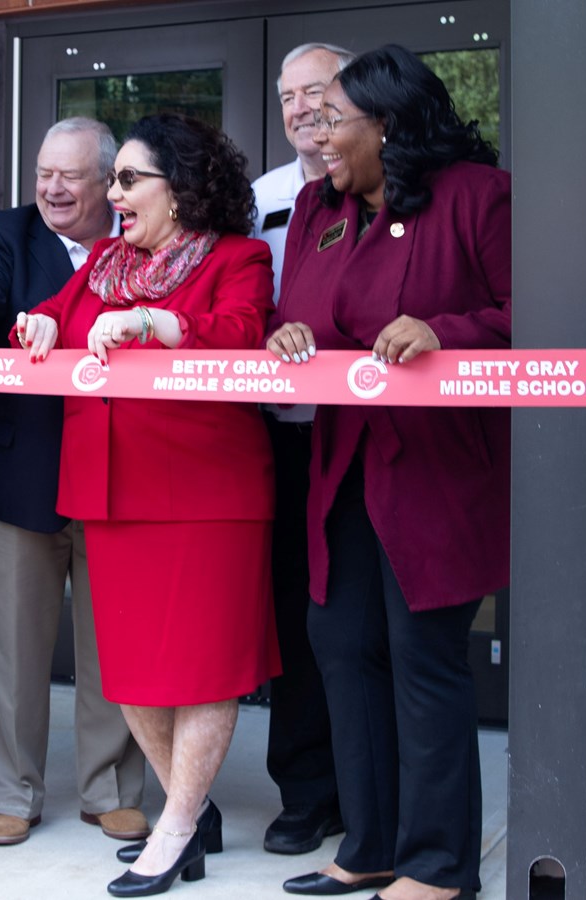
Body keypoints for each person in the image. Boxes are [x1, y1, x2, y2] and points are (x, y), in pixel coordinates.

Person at [266, 45, 510, 900]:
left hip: (438, 470)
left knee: (422, 655)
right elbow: (301, 311)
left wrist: (448, 333)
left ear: (389, 124)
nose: (317, 135)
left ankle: (438, 867)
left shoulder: (477, 196)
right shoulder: (318, 207)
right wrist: (284, 333)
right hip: (344, 463)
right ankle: (370, 845)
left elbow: (529, 317)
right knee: (341, 642)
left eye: (334, 119)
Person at [15, 113, 279, 897]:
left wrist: (159, 322)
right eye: (115, 179)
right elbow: (57, 313)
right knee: (129, 675)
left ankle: (176, 828)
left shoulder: (239, 256)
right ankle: (191, 813)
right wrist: (37, 323)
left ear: (182, 187)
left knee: (205, 671)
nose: (115, 195)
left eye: (129, 180)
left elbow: (243, 333)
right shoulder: (104, 261)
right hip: (112, 491)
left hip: (206, 494)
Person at [0, 117, 148, 848]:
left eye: (70, 176)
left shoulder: (139, 238)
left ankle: (110, 790)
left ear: (108, 183)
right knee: (14, 647)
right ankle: (11, 793)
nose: (52, 189)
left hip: (117, 470)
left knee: (112, 641)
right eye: (43, 174)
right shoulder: (6, 232)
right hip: (21, 470)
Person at [249, 41, 355, 857]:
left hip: (359, 435)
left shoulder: (388, 192)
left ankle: (371, 791)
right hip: (280, 437)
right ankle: (307, 793)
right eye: (287, 97)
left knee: (354, 619)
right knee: (294, 614)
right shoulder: (262, 199)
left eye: (314, 91)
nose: (298, 109)